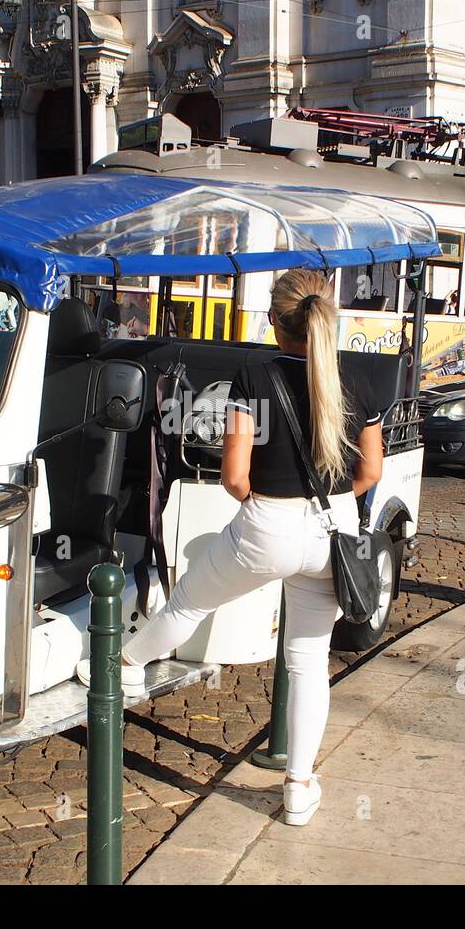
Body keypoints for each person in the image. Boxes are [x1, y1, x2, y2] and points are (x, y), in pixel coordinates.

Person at [75, 269, 388, 826]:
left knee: (191, 603)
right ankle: (297, 788)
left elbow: (235, 476)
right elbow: (371, 470)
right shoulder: (354, 380)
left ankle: (123, 664)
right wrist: (338, 502)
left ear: (275, 322)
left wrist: (260, 507)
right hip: (332, 529)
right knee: (309, 662)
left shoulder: (254, 375)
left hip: (267, 522)